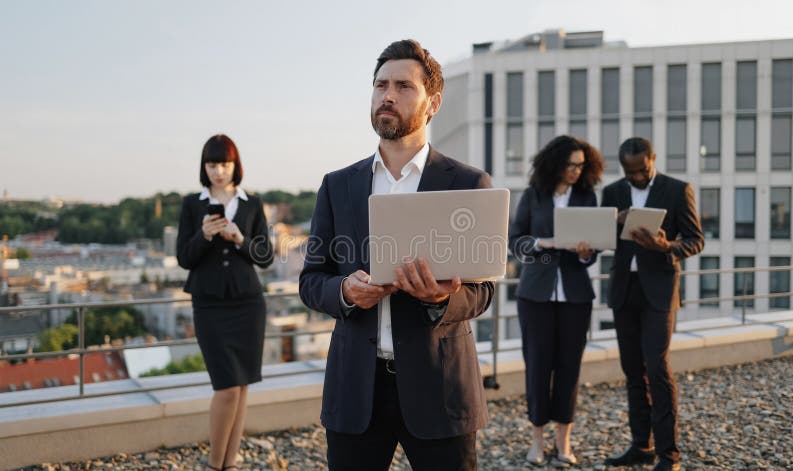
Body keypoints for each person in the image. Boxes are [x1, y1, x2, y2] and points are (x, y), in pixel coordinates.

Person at [298, 39, 495, 471]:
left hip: (440, 389)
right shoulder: (337, 185)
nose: (387, 95)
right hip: (356, 391)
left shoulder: (468, 182)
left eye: (404, 86)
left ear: (433, 102)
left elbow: (483, 291)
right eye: (380, 84)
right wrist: (346, 292)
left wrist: (441, 299)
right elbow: (311, 281)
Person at [601, 137, 703, 471]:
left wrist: (667, 246)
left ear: (653, 160)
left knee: (658, 369)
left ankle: (669, 455)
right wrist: (612, 224)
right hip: (623, 290)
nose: (636, 177)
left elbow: (696, 240)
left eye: (641, 170)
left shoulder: (677, 190)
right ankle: (641, 446)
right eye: (629, 172)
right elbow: (604, 239)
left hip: (659, 291)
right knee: (632, 371)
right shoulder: (614, 192)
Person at [176, 134, 274, 471]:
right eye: (213, 164)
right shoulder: (192, 204)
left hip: (248, 303)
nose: (219, 171)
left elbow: (265, 256)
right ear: (204, 167)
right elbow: (184, 259)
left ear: (236, 165)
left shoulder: (252, 203)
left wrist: (239, 239)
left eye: (225, 164)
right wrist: (203, 235)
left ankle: (230, 463)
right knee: (227, 387)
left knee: (242, 386)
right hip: (209, 306)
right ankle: (215, 464)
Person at [508, 135, 604, 467]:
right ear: (555, 164)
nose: (576, 170)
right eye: (570, 165)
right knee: (537, 366)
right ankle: (537, 441)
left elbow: (594, 252)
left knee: (569, 368)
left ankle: (564, 442)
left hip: (576, 296)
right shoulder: (533, 196)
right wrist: (542, 243)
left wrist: (586, 252)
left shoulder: (587, 197)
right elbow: (514, 241)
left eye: (581, 165)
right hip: (535, 294)